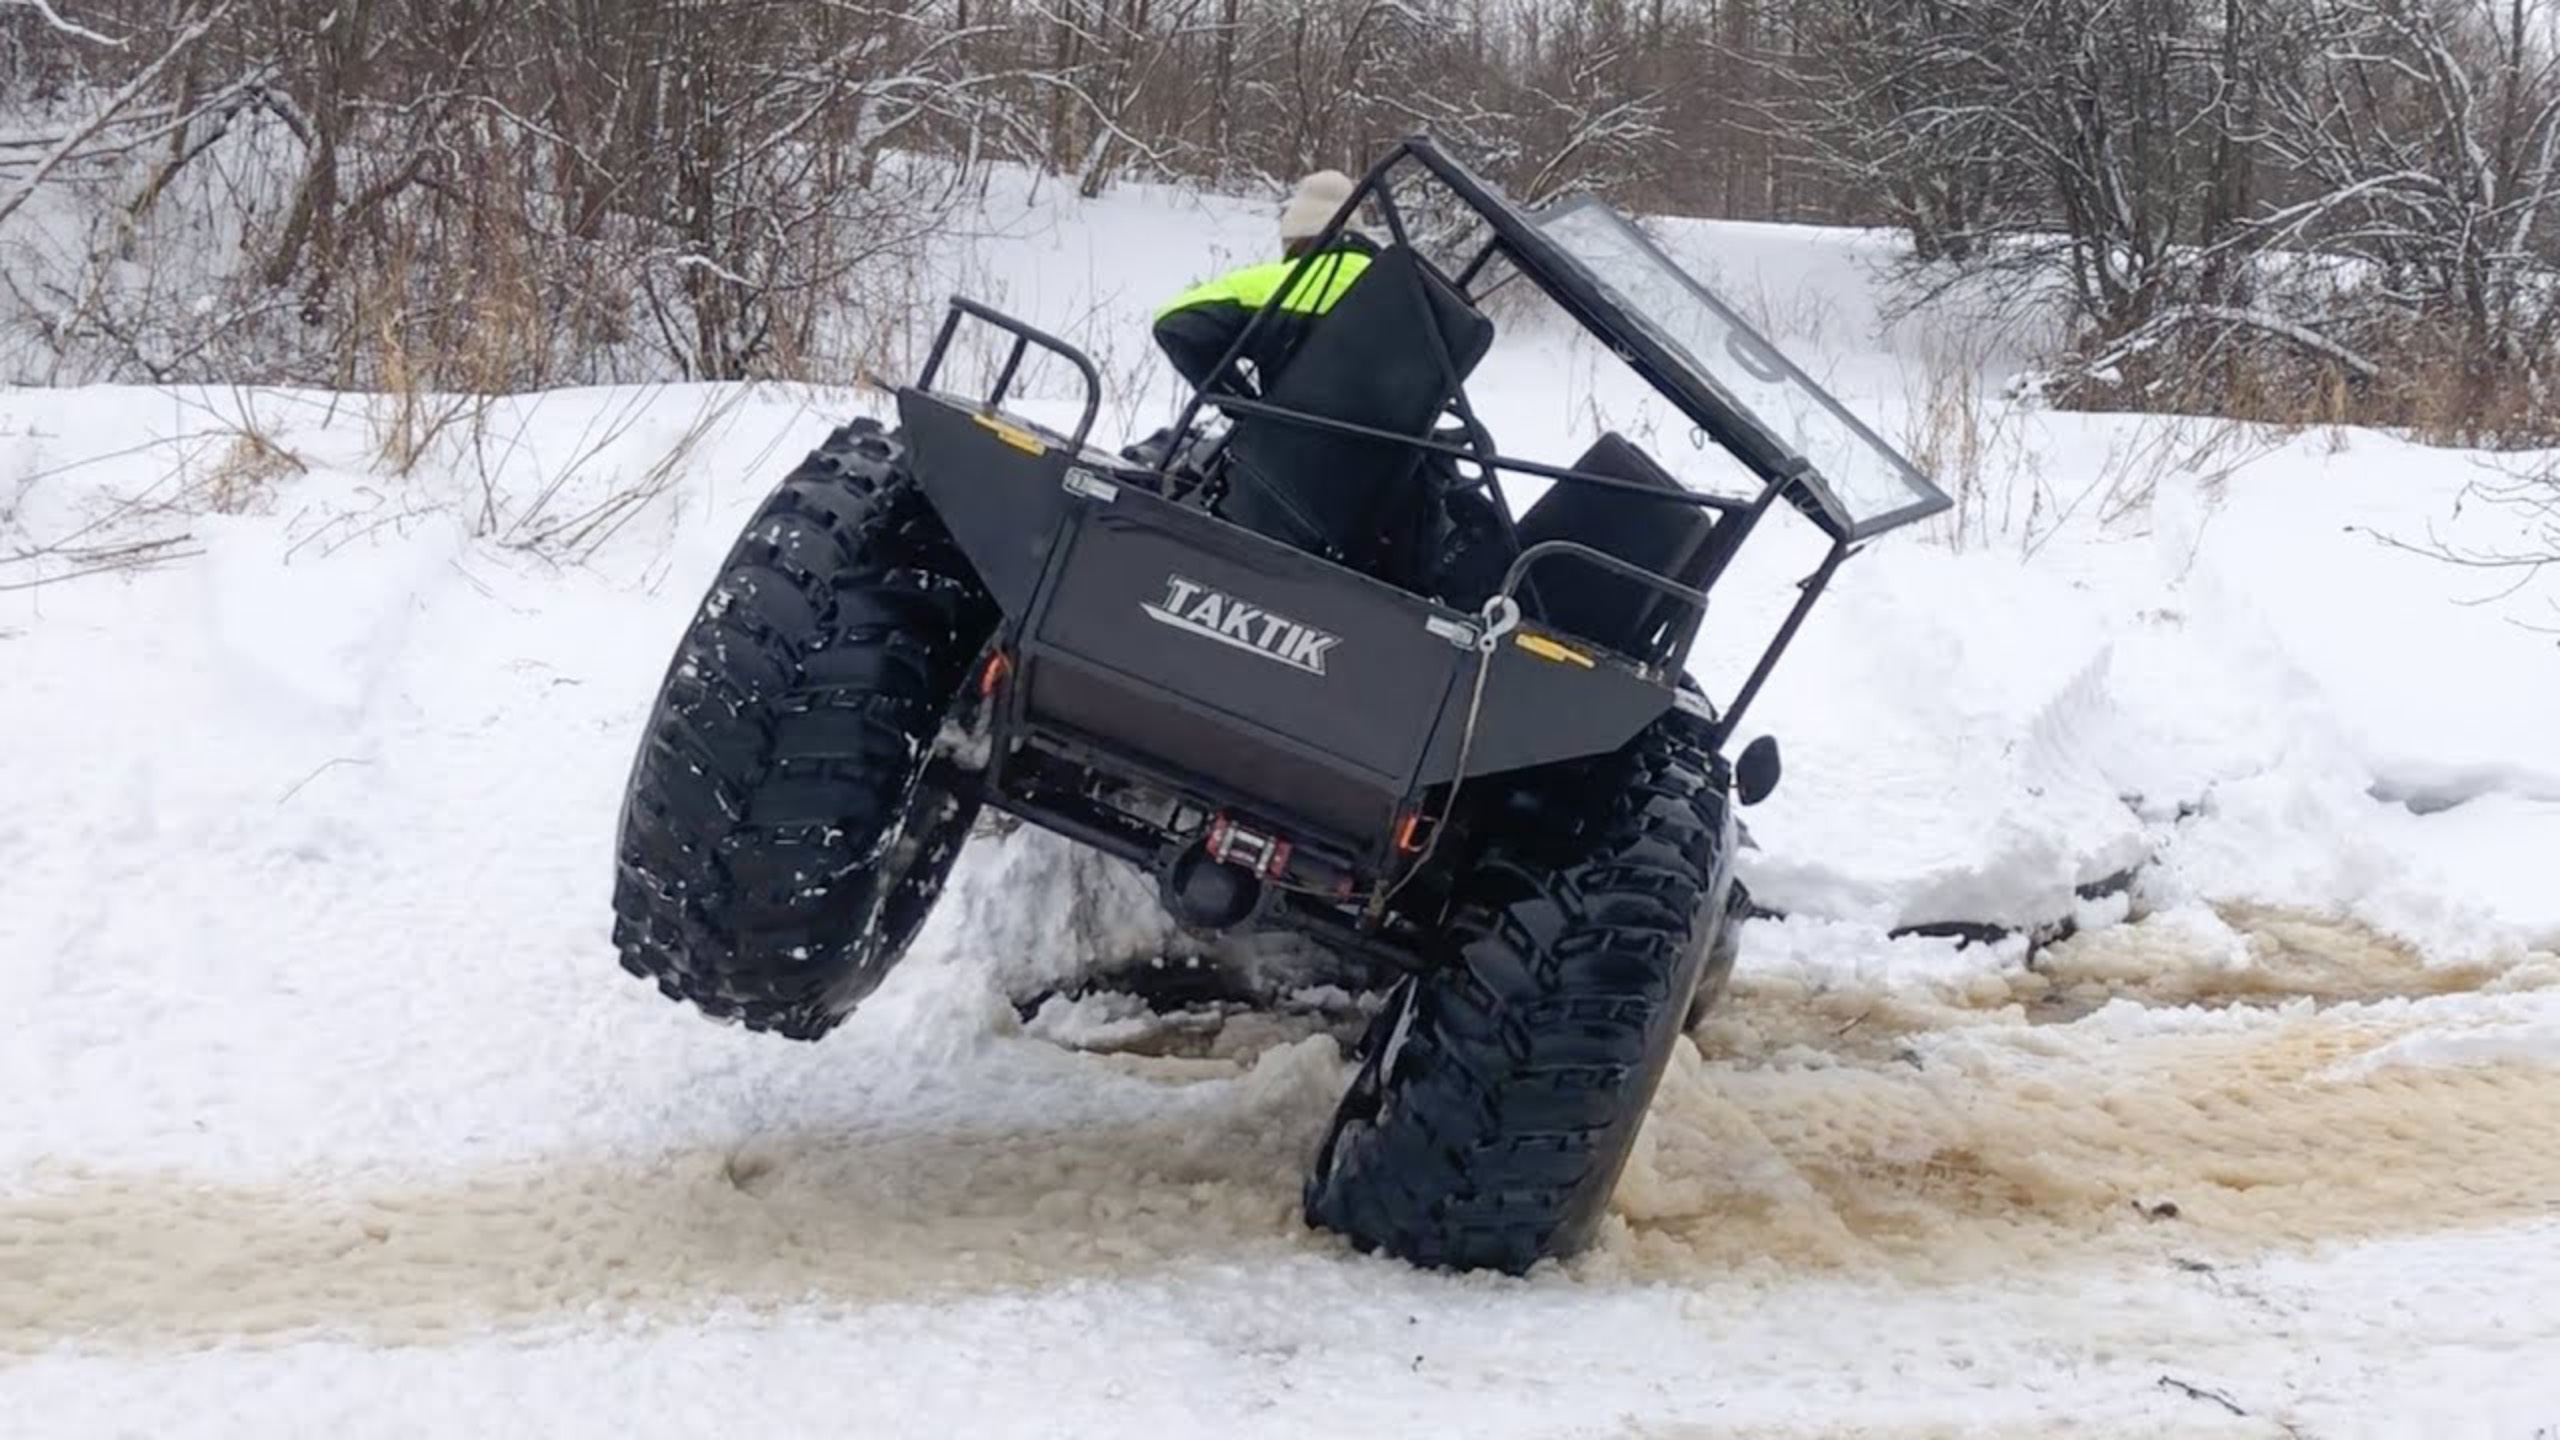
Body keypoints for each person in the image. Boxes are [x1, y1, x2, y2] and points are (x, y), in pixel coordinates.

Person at [1150, 170, 1376, 396]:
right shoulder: (1404, 287)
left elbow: (1174, 322)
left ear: (1294, 238)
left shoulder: (1274, 285)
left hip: (1287, 428)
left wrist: (1238, 399)